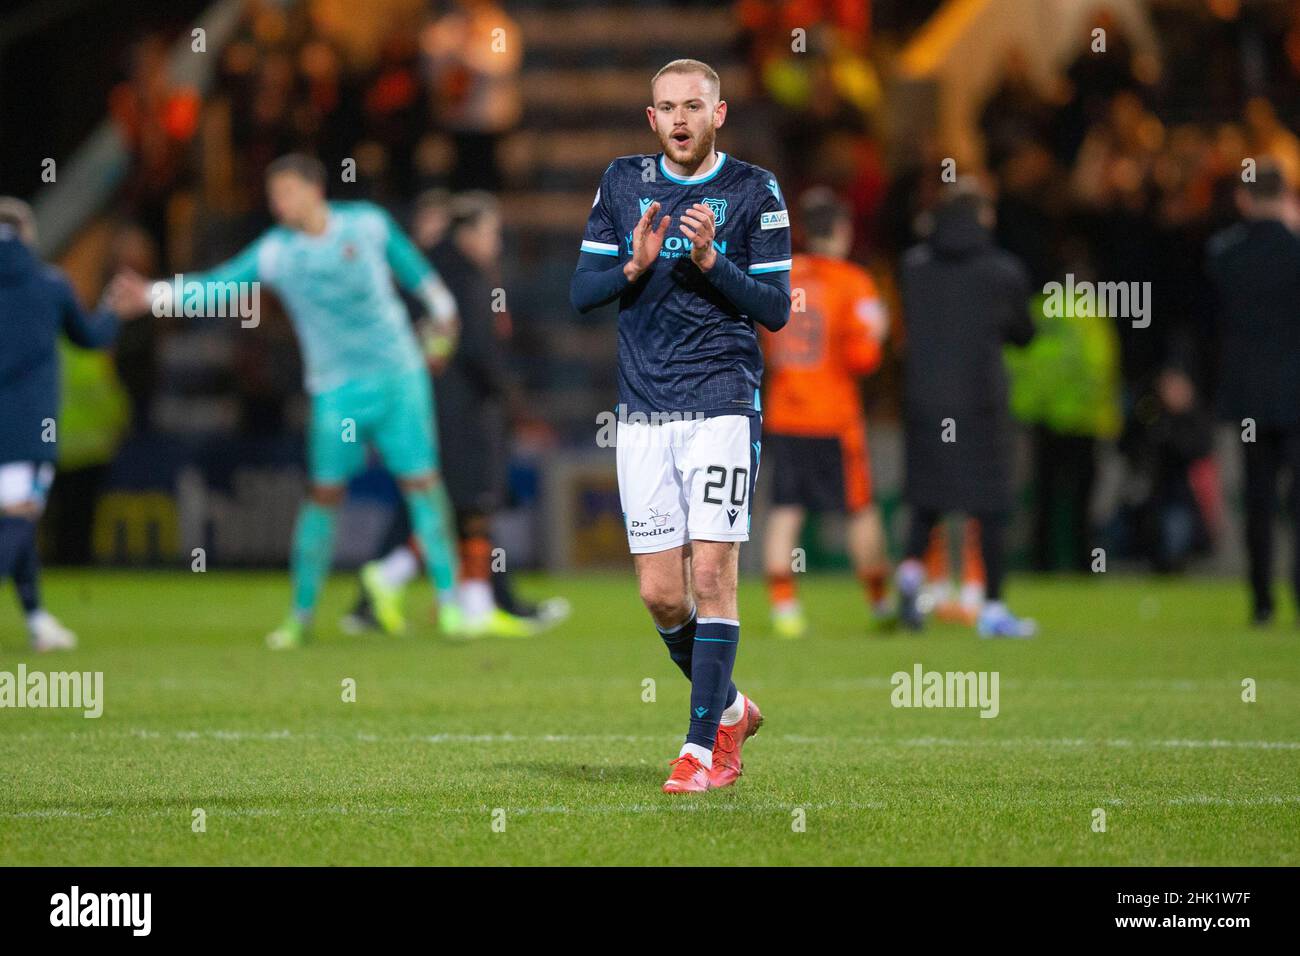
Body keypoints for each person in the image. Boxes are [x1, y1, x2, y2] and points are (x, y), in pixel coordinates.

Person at [116, 154, 463, 648]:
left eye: (286, 192)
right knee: (323, 498)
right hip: (335, 390)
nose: (278, 203)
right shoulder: (277, 253)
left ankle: (451, 607)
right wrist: (153, 296)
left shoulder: (366, 226)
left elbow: (420, 277)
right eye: (274, 195)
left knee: (423, 487)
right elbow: (220, 287)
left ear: (315, 189)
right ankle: (300, 617)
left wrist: (445, 317)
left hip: (397, 377)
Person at [570, 59, 791, 793]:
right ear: (652, 118)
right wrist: (632, 267)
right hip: (643, 411)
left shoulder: (754, 191)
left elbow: (776, 308)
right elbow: (581, 293)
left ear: (718, 113)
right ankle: (727, 708)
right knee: (663, 594)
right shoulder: (621, 182)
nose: (681, 119)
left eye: (694, 105)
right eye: (667, 108)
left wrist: (709, 260)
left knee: (712, 573)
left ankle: (700, 752)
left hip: (723, 402)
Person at [345, 192, 567, 638]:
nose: (495, 241)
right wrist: (510, 397)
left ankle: (476, 602)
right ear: (466, 232)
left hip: (436, 408)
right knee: (463, 507)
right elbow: (477, 350)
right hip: (461, 412)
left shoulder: (435, 276)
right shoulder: (464, 277)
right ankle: (393, 576)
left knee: (458, 509)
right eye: (488, 231)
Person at [895, 179, 1037, 638]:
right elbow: (1024, 333)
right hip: (980, 401)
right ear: (983, 216)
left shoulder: (913, 267)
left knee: (925, 502)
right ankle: (993, 608)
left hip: (925, 399)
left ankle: (911, 581)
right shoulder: (1003, 272)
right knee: (989, 505)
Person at [0, 198, 138, 650]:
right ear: (27, 234)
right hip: (26, 431)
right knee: (19, 523)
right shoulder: (49, 284)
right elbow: (92, 337)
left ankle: (38, 620)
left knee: (18, 531)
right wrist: (115, 308)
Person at [759, 187, 890, 637]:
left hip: (784, 412)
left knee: (785, 509)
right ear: (842, 230)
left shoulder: (780, 276)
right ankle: (880, 604)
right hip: (833, 417)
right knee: (859, 510)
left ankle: (784, 610)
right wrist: (880, 331)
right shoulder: (854, 283)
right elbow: (864, 358)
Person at [1205, 160, 1300, 625]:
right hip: (1295, 395)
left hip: (1247, 397)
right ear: (1285, 195)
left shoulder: (1225, 254)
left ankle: (1261, 601)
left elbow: (1207, 325)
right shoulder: (1295, 249)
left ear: (1243, 199)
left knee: (1257, 501)